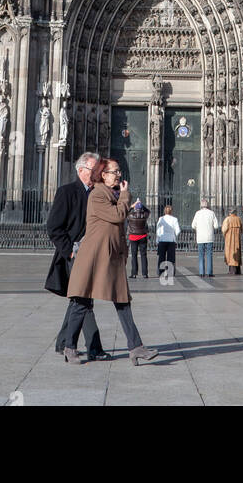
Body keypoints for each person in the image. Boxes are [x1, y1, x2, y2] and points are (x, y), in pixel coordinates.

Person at [64, 158, 157, 366]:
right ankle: (69, 347)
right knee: (82, 302)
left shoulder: (111, 195)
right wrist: (125, 195)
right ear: (103, 174)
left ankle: (136, 347)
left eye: (119, 171)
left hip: (111, 257)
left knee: (123, 302)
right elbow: (117, 216)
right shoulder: (98, 195)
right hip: (94, 258)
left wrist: (123, 252)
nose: (118, 175)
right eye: (114, 171)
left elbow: (118, 228)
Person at [44, 151, 110, 361]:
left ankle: (63, 343)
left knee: (78, 300)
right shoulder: (67, 192)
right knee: (83, 300)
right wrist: (70, 252)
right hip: (75, 255)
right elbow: (54, 227)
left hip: (91, 254)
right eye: (94, 170)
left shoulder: (97, 193)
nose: (98, 174)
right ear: (81, 170)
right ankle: (93, 347)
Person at [190, 198, 220, 277]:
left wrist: (198, 228)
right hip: (209, 237)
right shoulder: (211, 213)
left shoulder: (197, 213)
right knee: (209, 255)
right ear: (208, 205)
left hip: (200, 237)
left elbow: (193, 225)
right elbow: (216, 226)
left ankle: (201, 272)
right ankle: (209, 272)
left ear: (201, 205)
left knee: (201, 255)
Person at [127, 197, 150, 279]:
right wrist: (141, 205)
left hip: (133, 236)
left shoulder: (131, 215)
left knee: (134, 255)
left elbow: (125, 211)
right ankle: (145, 273)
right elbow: (148, 211)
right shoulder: (144, 215)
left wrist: (132, 206)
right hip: (143, 236)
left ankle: (134, 273)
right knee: (144, 255)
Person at [156, 203, 181, 277]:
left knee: (161, 257)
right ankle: (170, 272)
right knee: (171, 258)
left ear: (164, 211)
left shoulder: (161, 219)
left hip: (162, 239)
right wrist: (174, 235)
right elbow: (178, 230)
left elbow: (158, 230)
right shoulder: (174, 219)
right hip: (171, 240)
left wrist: (158, 239)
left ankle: (161, 272)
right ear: (171, 211)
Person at [222, 208, 242, 274]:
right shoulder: (238, 219)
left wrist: (225, 235)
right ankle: (238, 269)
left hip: (229, 239)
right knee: (237, 253)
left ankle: (232, 270)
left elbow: (224, 229)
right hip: (237, 239)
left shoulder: (227, 219)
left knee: (230, 254)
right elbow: (242, 229)